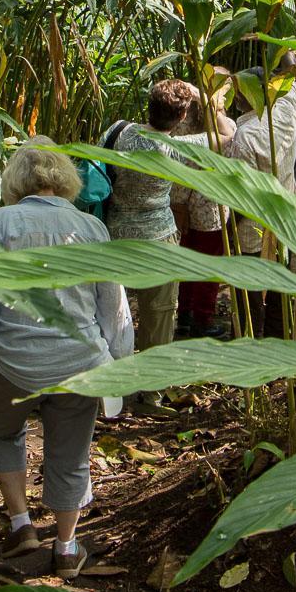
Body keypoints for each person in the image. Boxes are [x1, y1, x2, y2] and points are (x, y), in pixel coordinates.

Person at [0, 138, 132, 579]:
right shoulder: (91, 228)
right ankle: (66, 549)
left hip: (13, 363)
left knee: (4, 431)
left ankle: (21, 524)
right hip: (79, 364)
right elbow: (113, 307)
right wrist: (122, 368)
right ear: (66, 179)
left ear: (15, 180)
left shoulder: (1, 223)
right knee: (71, 455)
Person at [104, 78, 232, 412]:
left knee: (108, 313)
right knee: (158, 318)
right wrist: (208, 95)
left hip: (113, 235)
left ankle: (106, 388)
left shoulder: (120, 131)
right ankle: (150, 395)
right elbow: (227, 136)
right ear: (181, 116)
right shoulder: (177, 148)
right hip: (159, 242)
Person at [225, 51, 296, 338]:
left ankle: (249, 345)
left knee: (250, 290)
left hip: (253, 226)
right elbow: (294, 77)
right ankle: (278, 343)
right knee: (280, 284)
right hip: (286, 218)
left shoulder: (245, 136)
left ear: (246, 97)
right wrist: (284, 50)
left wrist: (230, 228)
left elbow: (243, 194)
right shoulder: (285, 112)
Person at [172, 78, 236, 341]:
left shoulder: (187, 126)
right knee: (206, 269)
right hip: (207, 211)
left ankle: (188, 319)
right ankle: (199, 321)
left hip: (194, 208)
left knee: (192, 265)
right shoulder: (207, 127)